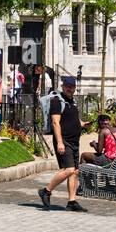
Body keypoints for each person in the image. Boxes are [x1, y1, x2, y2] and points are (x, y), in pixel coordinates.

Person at [37, 76, 91, 211]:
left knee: (75, 172)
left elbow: (75, 119)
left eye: (72, 87)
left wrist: (83, 124)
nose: (70, 88)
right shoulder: (57, 101)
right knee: (69, 170)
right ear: (63, 86)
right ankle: (46, 191)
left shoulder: (72, 102)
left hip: (74, 141)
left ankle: (71, 202)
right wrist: (60, 142)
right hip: (64, 140)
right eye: (67, 86)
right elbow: (56, 122)